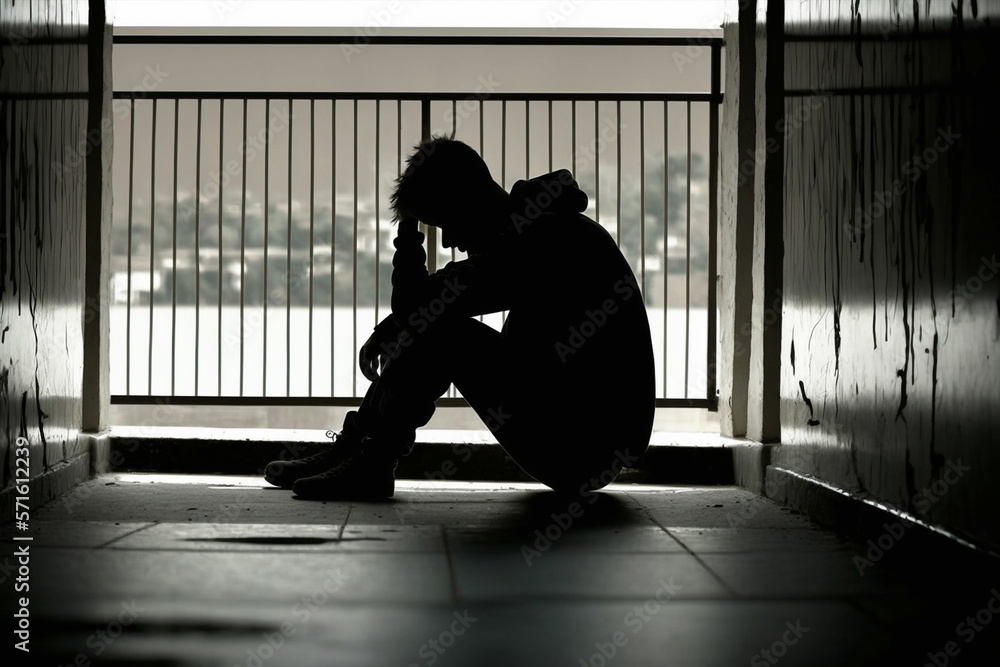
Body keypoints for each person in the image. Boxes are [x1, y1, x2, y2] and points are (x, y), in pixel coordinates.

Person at [264, 137, 655, 500]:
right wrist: (398, 323)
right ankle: (358, 451)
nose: (449, 241)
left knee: (440, 332)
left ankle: (371, 461)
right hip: (583, 439)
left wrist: (408, 231)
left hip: (582, 452)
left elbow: (418, 304)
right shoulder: (538, 228)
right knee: (434, 324)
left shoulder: (541, 239)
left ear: (466, 201)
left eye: (444, 224)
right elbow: (432, 300)